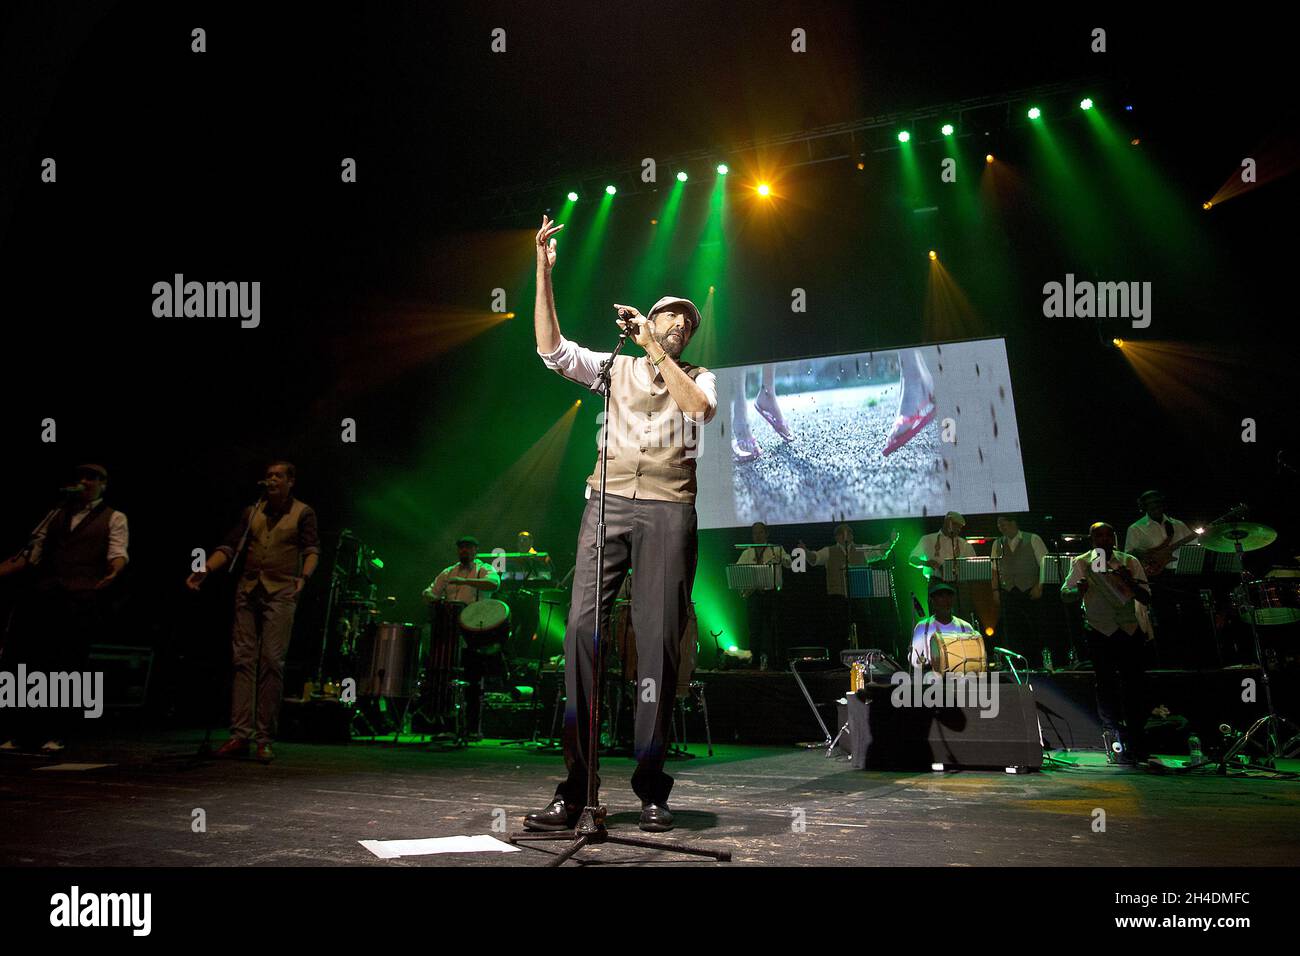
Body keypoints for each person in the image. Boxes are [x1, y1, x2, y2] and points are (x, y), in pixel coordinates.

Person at [523, 214, 717, 834]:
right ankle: (575, 788)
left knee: (657, 645)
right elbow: (551, 350)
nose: (681, 325)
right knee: (581, 632)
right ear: (648, 320)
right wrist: (543, 272)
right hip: (605, 503)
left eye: (688, 323)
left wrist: (655, 349)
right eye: (670, 317)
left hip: (668, 511)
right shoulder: (614, 367)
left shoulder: (698, 376)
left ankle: (651, 788)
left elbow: (699, 411)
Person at [187, 461, 319, 763]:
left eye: (278, 476)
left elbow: (312, 550)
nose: (271, 479)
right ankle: (240, 734)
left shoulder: (303, 512)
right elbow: (229, 546)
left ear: (290, 481)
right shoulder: (252, 511)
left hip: (282, 592)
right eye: (268, 475)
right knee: (243, 660)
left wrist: (304, 577)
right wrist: (205, 569)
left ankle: (264, 737)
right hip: (248, 590)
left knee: (271, 661)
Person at [0, 464, 128, 752]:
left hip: (80, 599)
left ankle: (57, 732)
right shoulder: (56, 513)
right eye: (81, 477)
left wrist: (115, 570)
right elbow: (30, 554)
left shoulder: (114, 517)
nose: (84, 482)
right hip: (46, 596)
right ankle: (21, 731)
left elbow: (118, 552)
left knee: (68, 667)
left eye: (92, 478)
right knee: (31, 665)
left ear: (103, 484)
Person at [1060, 522, 1153, 765]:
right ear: (1091, 539)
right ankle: (1113, 738)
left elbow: (1146, 597)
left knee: (1134, 684)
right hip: (1100, 630)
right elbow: (1065, 594)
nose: (1104, 540)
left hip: (1129, 630)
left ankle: (1137, 739)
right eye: (1098, 536)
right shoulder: (1082, 562)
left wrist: (1129, 582)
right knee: (1105, 684)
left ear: (1114, 538)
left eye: (1108, 535)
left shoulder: (1129, 561)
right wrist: (1079, 591)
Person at [422, 534, 502, 738]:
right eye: (461, 548)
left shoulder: (484, 568)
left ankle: (472, 727)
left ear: (475, 550)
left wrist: (466, 581)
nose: (464, 551)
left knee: (472, 679)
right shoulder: (448, 571)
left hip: (473, 631)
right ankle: (445, 723)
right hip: (448, 632)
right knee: (445, 676)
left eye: (468, 547)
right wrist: (435, 599)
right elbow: (429, 592)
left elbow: (494, 584)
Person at [1124, 490, 1197, 665]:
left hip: (1181, 574)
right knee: (1166, 618)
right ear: (1143, 507)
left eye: (1158, 503)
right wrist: (1147, 555)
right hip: (1157, 577)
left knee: (1191, 616)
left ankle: (1193, 656)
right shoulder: (1136, 528)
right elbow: (1128, 556)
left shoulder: (1178, 524)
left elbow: (1194, 547)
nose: (1155, 507)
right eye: (1150, 504)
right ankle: (1171, 660)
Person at [809, 523, 890, 655]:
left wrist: (891, 541)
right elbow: (815, 558)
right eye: (843, 533)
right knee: (838, 630)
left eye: (849, 533)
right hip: (837, 597)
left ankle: (866, 658)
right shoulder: (829, 551)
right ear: (837, 537)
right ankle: (840, 659)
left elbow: (879, 550)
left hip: (860, 596)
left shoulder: (861, 549)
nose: (847, 535)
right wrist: (806, 552)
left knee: (864, 628)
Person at [989, 515, 1049, 662]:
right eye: (999, 525)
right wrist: (995, 591)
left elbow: (1045, 564)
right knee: (1011, 630)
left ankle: (1036, 662)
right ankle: (1015, 663)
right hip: (1008, 592)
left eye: (1003, 524)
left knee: (1033, 628)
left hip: (1029, 590)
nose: (1001, 528)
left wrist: (1040, 586)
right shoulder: (997, 543)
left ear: (1013, 523)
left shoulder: (1033, 539)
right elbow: (994, 570)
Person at [736, 521, 796, 669]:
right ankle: (755, 661)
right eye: (754, 533)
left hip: (772, 594)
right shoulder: (747, 552)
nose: (757, 535)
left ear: (766, 533)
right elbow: (738, 571)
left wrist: (782, 559)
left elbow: (789, 562)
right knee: (754, 629)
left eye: (760, 532)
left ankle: (775, 661)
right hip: (754, 594)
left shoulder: (776, 549)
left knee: (773, 628)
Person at [908, 581, 979, 669]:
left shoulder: (965, 627)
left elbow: (975, 656)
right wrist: (920, 661)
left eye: (949, 596)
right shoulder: (922, 627)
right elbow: (914, 658)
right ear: (933, 601)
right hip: (933, 675)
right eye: (941, 596)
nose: (945, 600)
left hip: (960, 674)